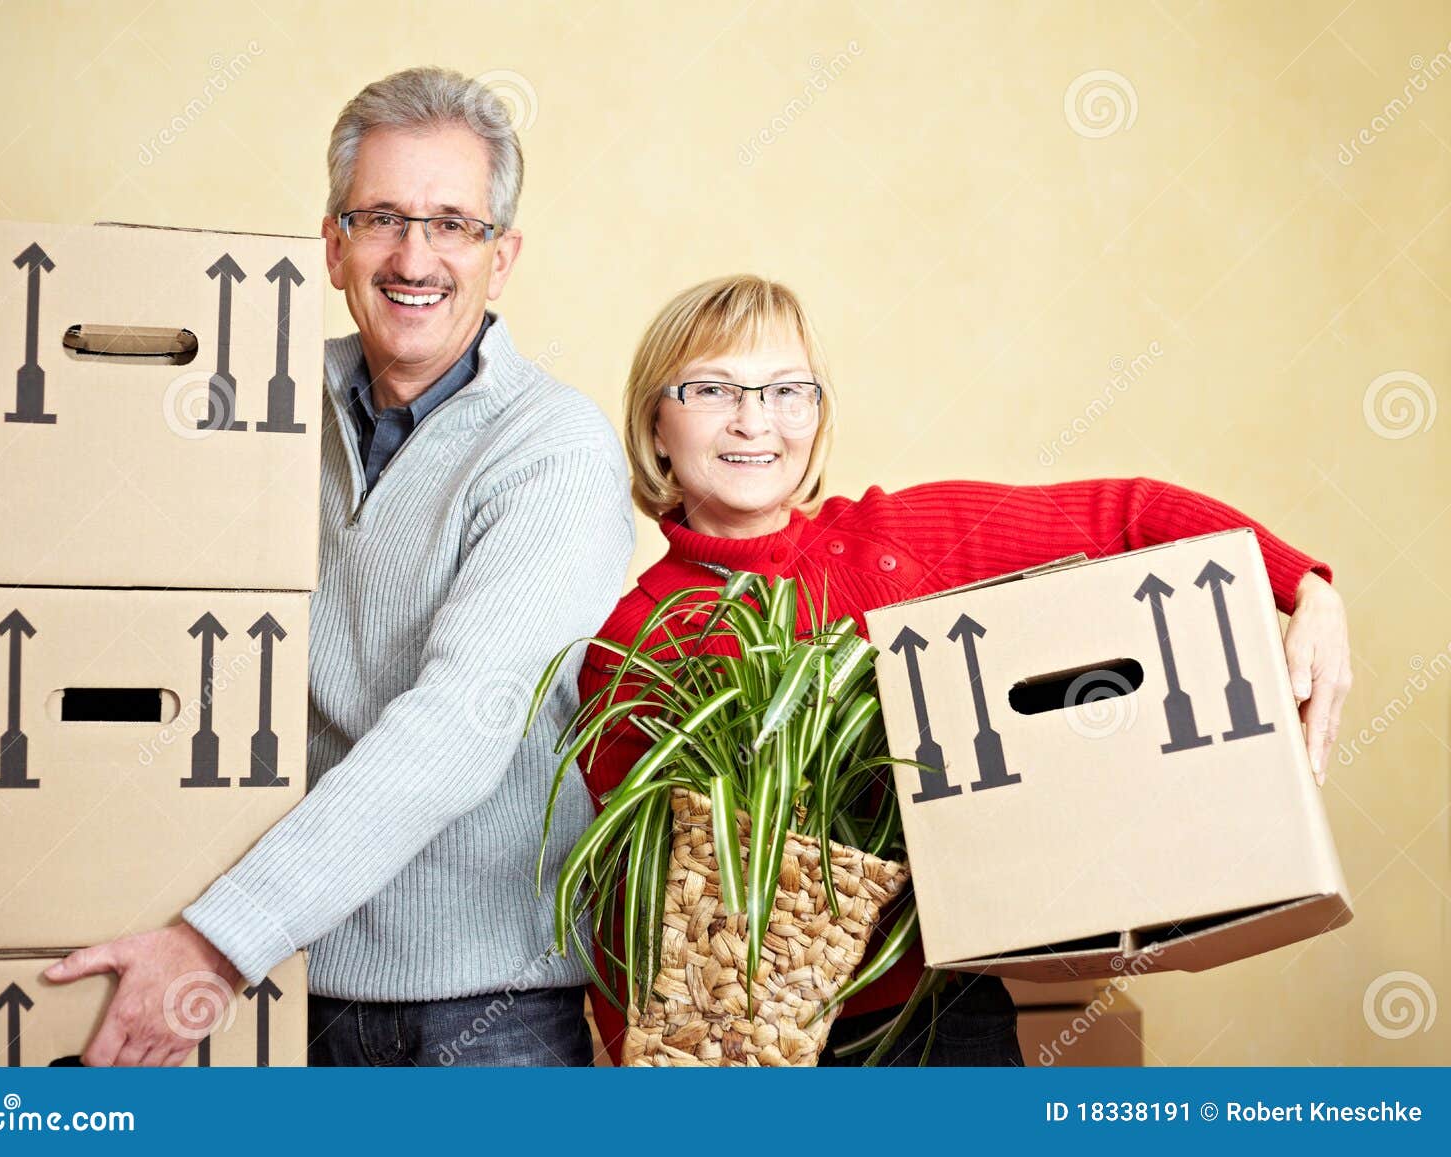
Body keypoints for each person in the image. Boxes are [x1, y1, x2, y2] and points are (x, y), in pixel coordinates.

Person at [577, 274, 1352, 1066]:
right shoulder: (636, 639)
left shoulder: (893, 541)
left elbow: (1127, 512)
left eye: (786, 391)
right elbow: (631, 903)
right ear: (657, 424)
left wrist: (1307, 587)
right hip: (748, 1042)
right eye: (712, 389)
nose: (755, 420)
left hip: (936, 1015)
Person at [44, 68, 635, 1067]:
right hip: (287, 987)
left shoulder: (553, 448)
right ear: (331, 245)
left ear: (503, 256)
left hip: (484, 1016)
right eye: (383, 219)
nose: (415, 256)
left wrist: (215, 940)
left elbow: (460, 724)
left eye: (453, 223)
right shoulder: (252, 403)